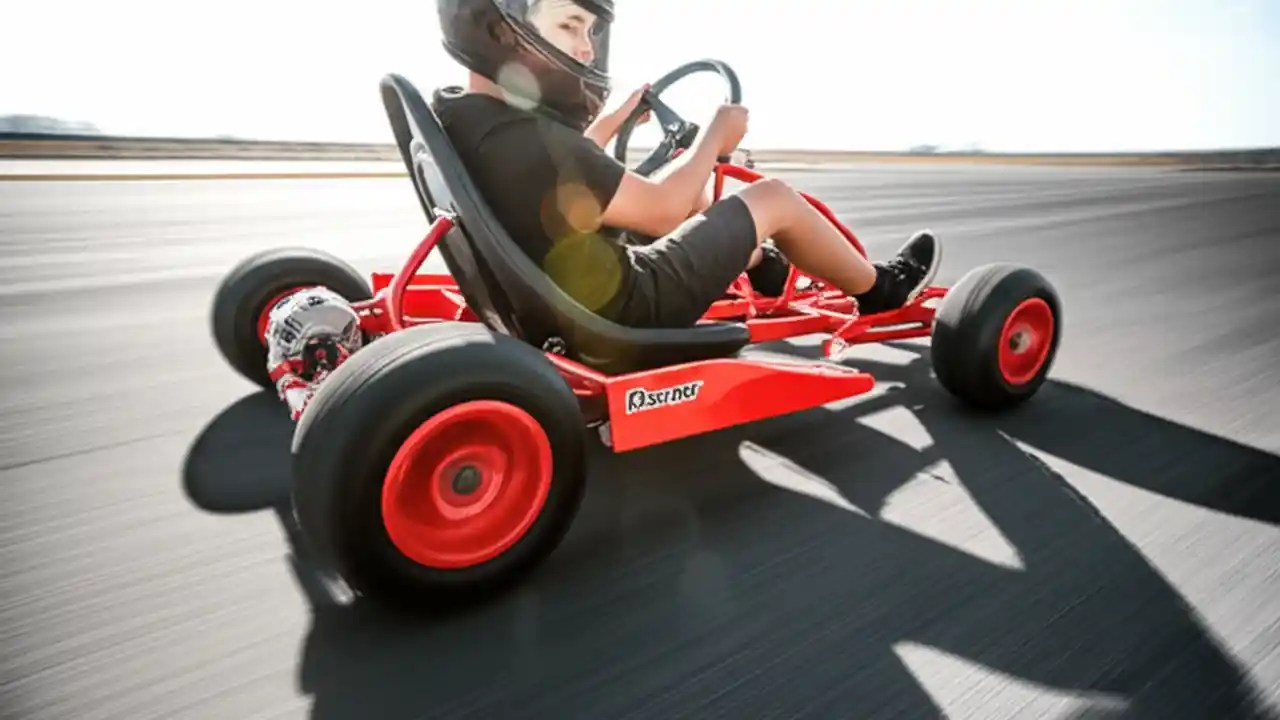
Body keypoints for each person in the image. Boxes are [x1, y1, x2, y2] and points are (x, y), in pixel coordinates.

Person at [433, 0, 941, 329]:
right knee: (772, 199)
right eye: (571, 25)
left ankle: (764, 266)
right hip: (621, 306)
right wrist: (714, 140)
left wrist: (614, 121)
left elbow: (552, 181)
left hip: (555, 287)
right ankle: (880, 290)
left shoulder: (476, 120)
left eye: (590, 30)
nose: (587, 48)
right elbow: (663, 213)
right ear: (501, 27)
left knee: (693, 197)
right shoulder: (531, 141)